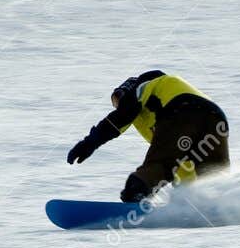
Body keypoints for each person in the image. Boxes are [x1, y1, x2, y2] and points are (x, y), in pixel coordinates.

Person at [66, 71, 230, 203]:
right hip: (216, 122)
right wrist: (185, 202)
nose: (117, 105)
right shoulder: (156, 115)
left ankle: (135, 196)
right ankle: (221, 206)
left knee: (158, 166)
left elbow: (121, 117)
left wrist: (89, 143)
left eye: (117, 100)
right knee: (213, 178)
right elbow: (180, 162)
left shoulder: (144, 87)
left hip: (183, 109)